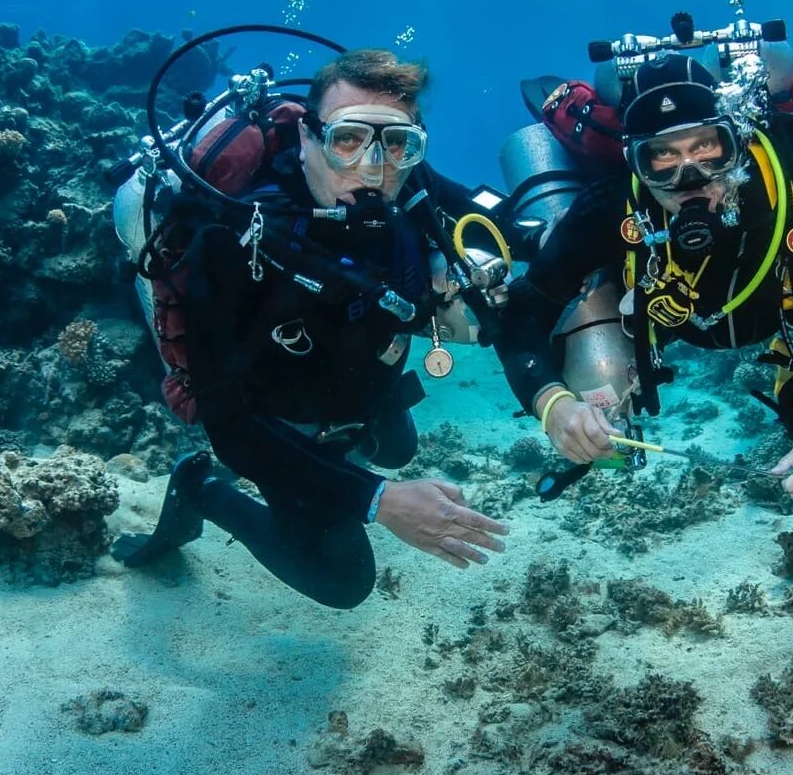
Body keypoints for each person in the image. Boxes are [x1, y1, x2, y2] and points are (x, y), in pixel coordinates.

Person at [112, 48, 509, 608]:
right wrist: (377, 501)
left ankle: (344, 450)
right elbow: (230, 427)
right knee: (342, 581)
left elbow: (504, 220)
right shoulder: (229, 241)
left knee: (396, 449)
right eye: (347, 139)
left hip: (356, 372)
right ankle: (200, 489)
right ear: (307, 137)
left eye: (397, 143)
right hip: (274, 414)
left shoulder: (409, 177)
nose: (374, 167)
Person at [496, 53, 793, 503]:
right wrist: (552, 403)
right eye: (663, 158)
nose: (689, 177)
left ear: (736, 142)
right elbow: (522, 309)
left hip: (788, 310)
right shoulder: (610, 208)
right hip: (657, 318)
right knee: (599, 374)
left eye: (706, 149)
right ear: (637, 164)